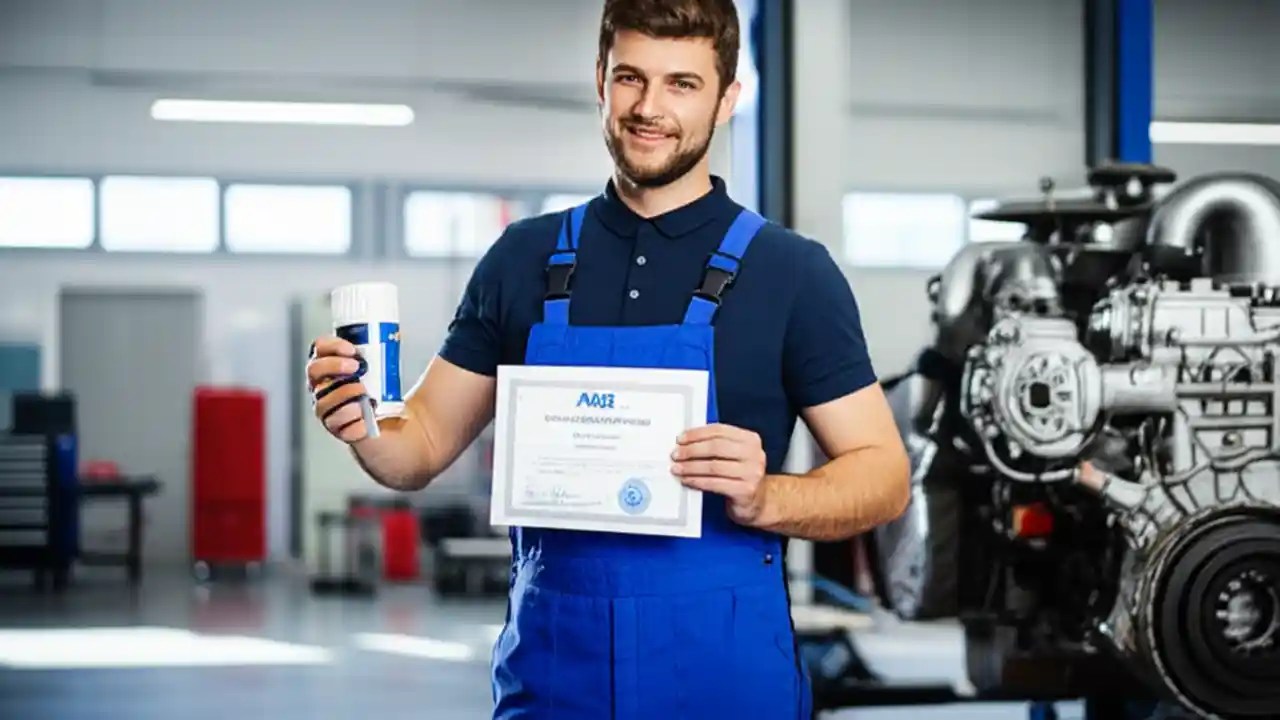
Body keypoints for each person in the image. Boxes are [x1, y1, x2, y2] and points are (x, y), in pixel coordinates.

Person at [307, 0, 910, 716]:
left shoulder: (791, 273)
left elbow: (884, 476)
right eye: (631, 77)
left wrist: (769, 497)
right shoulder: (522, 259)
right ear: (601, 80)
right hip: (555, 678)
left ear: (727, 99)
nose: (650, 108)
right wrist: (363, 424)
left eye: (682, 83)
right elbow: (421, 445)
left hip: (723, 680)